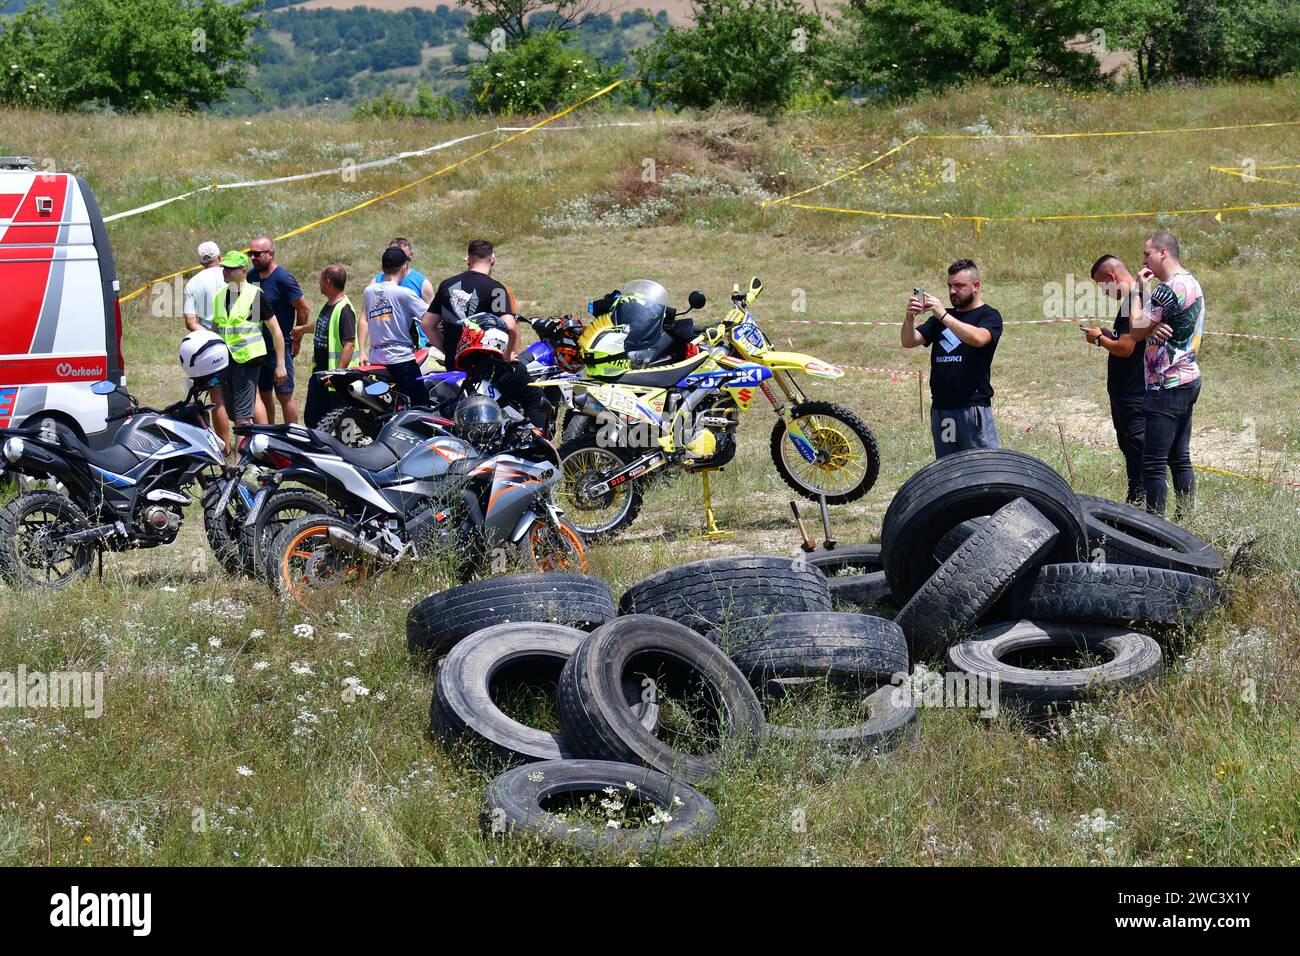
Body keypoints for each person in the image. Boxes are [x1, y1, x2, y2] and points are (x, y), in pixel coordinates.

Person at [1129, 231, 1204, 517]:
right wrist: (1151, 327)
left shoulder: (1167, 289)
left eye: (1146, 253)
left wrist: (1138, 289)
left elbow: (1135, 329)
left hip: (1166, 382)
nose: (1143, 260)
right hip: (1188, 377)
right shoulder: (1192, 282)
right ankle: (1187, 518)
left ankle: (1155, 529)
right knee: (1179, 458)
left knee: (1154, 462)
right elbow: (1155, 323)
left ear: (1162, 253)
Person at [901, 258, 1003, 458]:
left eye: (959, 286)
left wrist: (943, 316)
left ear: (976, 286)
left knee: (983, 467)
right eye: (949, 286)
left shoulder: (989, 315)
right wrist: (909, 317)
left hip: (973, 408)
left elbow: (978, 338)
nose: (952, 291)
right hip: (943, 410)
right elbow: (909, 341)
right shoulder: (940, 318)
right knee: (949, 469)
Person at [1082, 255, 1146, 505]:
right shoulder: (1132, 301)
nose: (1104, 292)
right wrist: (1110, 334)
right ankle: (1136, 499)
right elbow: (1125, 339)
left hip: (1133, 391)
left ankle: (1143, 504)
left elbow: (1126, 348)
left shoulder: (1134, 301)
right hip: (1125, 389)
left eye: (1102, 286)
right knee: (1130, 448)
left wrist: (1100, 339)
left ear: (1111, 278)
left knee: (1137, 448)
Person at [212, 251, 286, 426]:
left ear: (244, 271)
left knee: (242, 416)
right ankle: (253, 449)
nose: (225, 272)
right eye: (224, 268)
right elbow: (216, 329)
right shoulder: (220, 296)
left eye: (230, 269)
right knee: (234, 413)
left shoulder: (255, 295)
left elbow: (276, 330)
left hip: (248, 360)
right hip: (225, 361)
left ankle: (242, 454)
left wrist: (281, 364)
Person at [363, 246, 437, 404]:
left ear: (382, 267)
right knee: (421, 404)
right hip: (400, 358)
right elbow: (429, 318)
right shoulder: (404, 293)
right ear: (405, 267)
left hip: (376, 358)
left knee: (383, 404)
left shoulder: (368, 291)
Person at [248, 236, 309, 425]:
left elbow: (303, 308)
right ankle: (270, 434)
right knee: (264, 393)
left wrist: (297, 336)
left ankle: (292, 436)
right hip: (258, 346)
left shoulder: (283, 278)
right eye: (251, 254)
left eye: (257, 254)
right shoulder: (251, 277)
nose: (253, 258)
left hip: (279, 345)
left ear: (270, 254)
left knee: (284, 394)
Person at [430, 239, 519, 363]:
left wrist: (447, 351)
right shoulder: (495, 289)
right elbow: (511, 327)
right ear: (493, 260)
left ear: (469, 260)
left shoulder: (447, 285)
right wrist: (507, 355)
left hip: (455, 361)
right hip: (485, 363)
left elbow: (427, 324)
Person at [454, 313, 547, 429]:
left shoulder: (495, 365)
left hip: (535, 417)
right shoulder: (486, 360)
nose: (464, 336)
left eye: (469, 332)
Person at [182, 240, 232, 453]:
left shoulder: (192, 284)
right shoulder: (234, 276)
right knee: (250, 396)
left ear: (201, 261)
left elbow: (190, 322)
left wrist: (209, 338)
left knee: (217, 398)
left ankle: (225, 448)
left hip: (210, 348)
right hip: (240, 343)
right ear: (220, 256)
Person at [304, 264, 364, 429]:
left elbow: (349, 344)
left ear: (328, 282)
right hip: (321, 374)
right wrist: (302, 330)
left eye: (320, 279)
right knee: (312, 419)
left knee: (334, 423)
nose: (319, 283)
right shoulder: (330, 305)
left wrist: (337, 376)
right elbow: (323, 325)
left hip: (334, 381)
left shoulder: (344, 309)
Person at [372, 238, 435, 348]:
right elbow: (366, 318)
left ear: (410, 256)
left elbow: (433, 317)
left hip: (418, 347)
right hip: (383, 347)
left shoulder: (421, 283)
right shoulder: (375, 284)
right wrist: (363, 350)